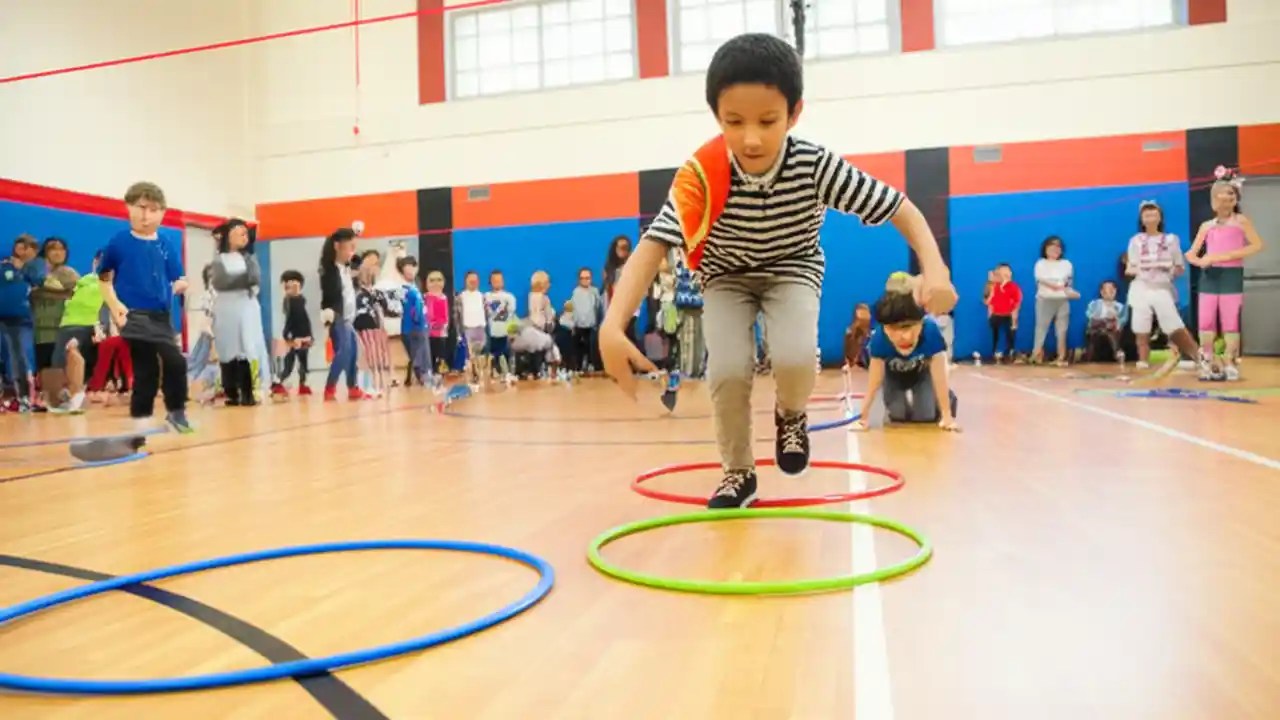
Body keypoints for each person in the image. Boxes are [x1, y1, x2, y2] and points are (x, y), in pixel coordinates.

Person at [597, 33, 956, 509]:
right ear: (716, 117)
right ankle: (738, 473)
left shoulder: (813, 165)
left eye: (768, 121)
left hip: (793, 269)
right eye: (734, 121)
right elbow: (654, 244)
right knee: (724, 371)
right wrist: (612, 324)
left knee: (791, 358)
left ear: (795, 112)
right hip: (725, 277)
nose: (751, 137)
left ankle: (791, 415)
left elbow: (900, 208)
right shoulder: (701, 175)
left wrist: (935, 269)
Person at [98, 182, 194, 433]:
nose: (145, 215)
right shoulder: (119, 242)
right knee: (146, 367)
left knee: (175, 362)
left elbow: (178, 278)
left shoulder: (166, 243)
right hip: (133, 315)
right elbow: (104, 278)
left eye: (153, 209)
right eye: (140, 207)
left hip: (161, 316)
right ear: (129, 207)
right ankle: (141, 418)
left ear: (162, 212)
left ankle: (175, 412)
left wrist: (180, 285)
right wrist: (114, 303)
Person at [1185, 167, 1266, 381]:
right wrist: (1202, 261)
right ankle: (1209, 361)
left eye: (1231, 196)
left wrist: (1222, 256)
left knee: (1230, 321)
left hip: (1231, 275)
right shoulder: (1206, 226)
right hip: (1210, 276)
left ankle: (1230, 361)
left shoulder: (1241, 222)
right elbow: (1191, 254)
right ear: (1214, 200)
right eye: (1221, 196)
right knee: (1206, 320)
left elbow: (1256, 245)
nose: (1226, 201)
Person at [854, 278, 958, 431]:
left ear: (921, 322)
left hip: (922, 375)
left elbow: (939, 374)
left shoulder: (931, 332)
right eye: (893, 329)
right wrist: (863, 416)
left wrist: (947, 415)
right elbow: (874, 381)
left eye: (908, 327)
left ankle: (948, 399)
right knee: (898, 416)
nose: (903, 336)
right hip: (894, 378)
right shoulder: (879, 339)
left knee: (925, 417)